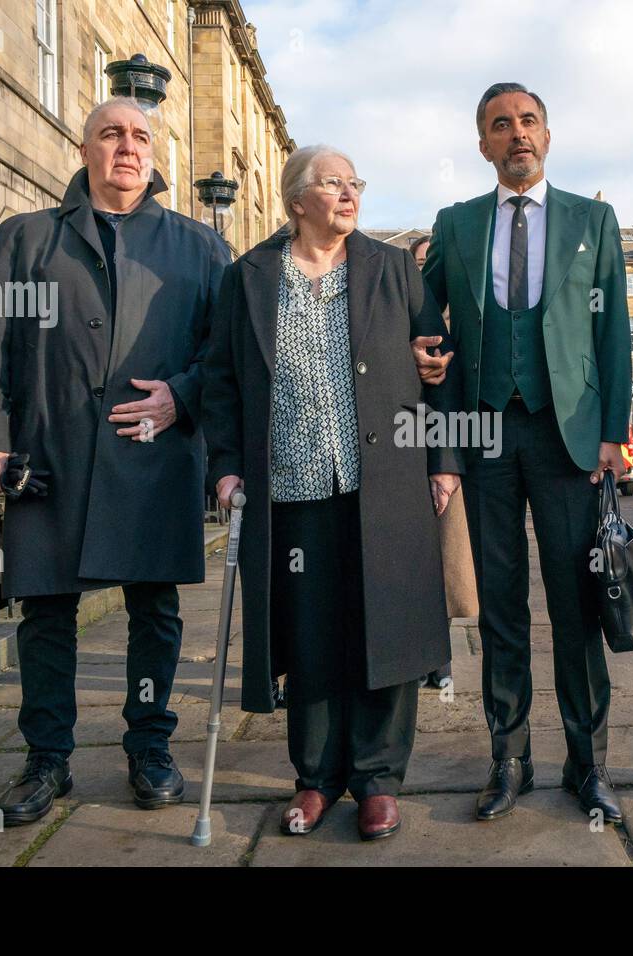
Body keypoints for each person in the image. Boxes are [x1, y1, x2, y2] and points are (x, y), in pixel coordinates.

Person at [0, 97, 229, 824]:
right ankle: (47, 758)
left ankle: (148, 744)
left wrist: (179, 395)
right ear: (85, 149)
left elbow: (224, 357)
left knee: (156, 610)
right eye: (112, 134)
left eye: (142, 136)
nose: (128, 147)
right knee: (46, 613)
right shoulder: (23, 240)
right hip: (52, 453)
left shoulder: (200, 247)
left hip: (155, 454)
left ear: (155, 153)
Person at [203, 145, 465, 841]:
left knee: (388, 622)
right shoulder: (250, 277)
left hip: (384, 478)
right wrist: (225, 468)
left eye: (356, 182)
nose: (349, 193)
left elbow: (438, 366)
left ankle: (378, 778)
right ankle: (316, 776)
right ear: (296, 201)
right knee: (312, 633)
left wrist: (441, 461)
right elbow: (221, 378)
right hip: (290, 485)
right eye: (333, 183)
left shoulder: (391, 269)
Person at [423, 83, 631, 825]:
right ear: (483, 144)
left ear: (548, 134)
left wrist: (613, 434)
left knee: (576, 606)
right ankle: (508, 759)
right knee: (500, 608)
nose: (517, 134)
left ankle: (589, 764)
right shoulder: (456, 224)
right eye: (500, 125)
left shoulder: (593, 220)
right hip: (483, 435)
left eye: (528, 121)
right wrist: (430, 364)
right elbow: (426, 321)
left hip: (568, 434)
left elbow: (612, 335)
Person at [408, 233, 473, 691]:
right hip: (403, 441)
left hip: (452, 436)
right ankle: (417, 654)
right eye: (420, 263)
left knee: (446, 557)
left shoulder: (456, 315)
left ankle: (440, 656)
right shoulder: (404, 310)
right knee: (408, 559)